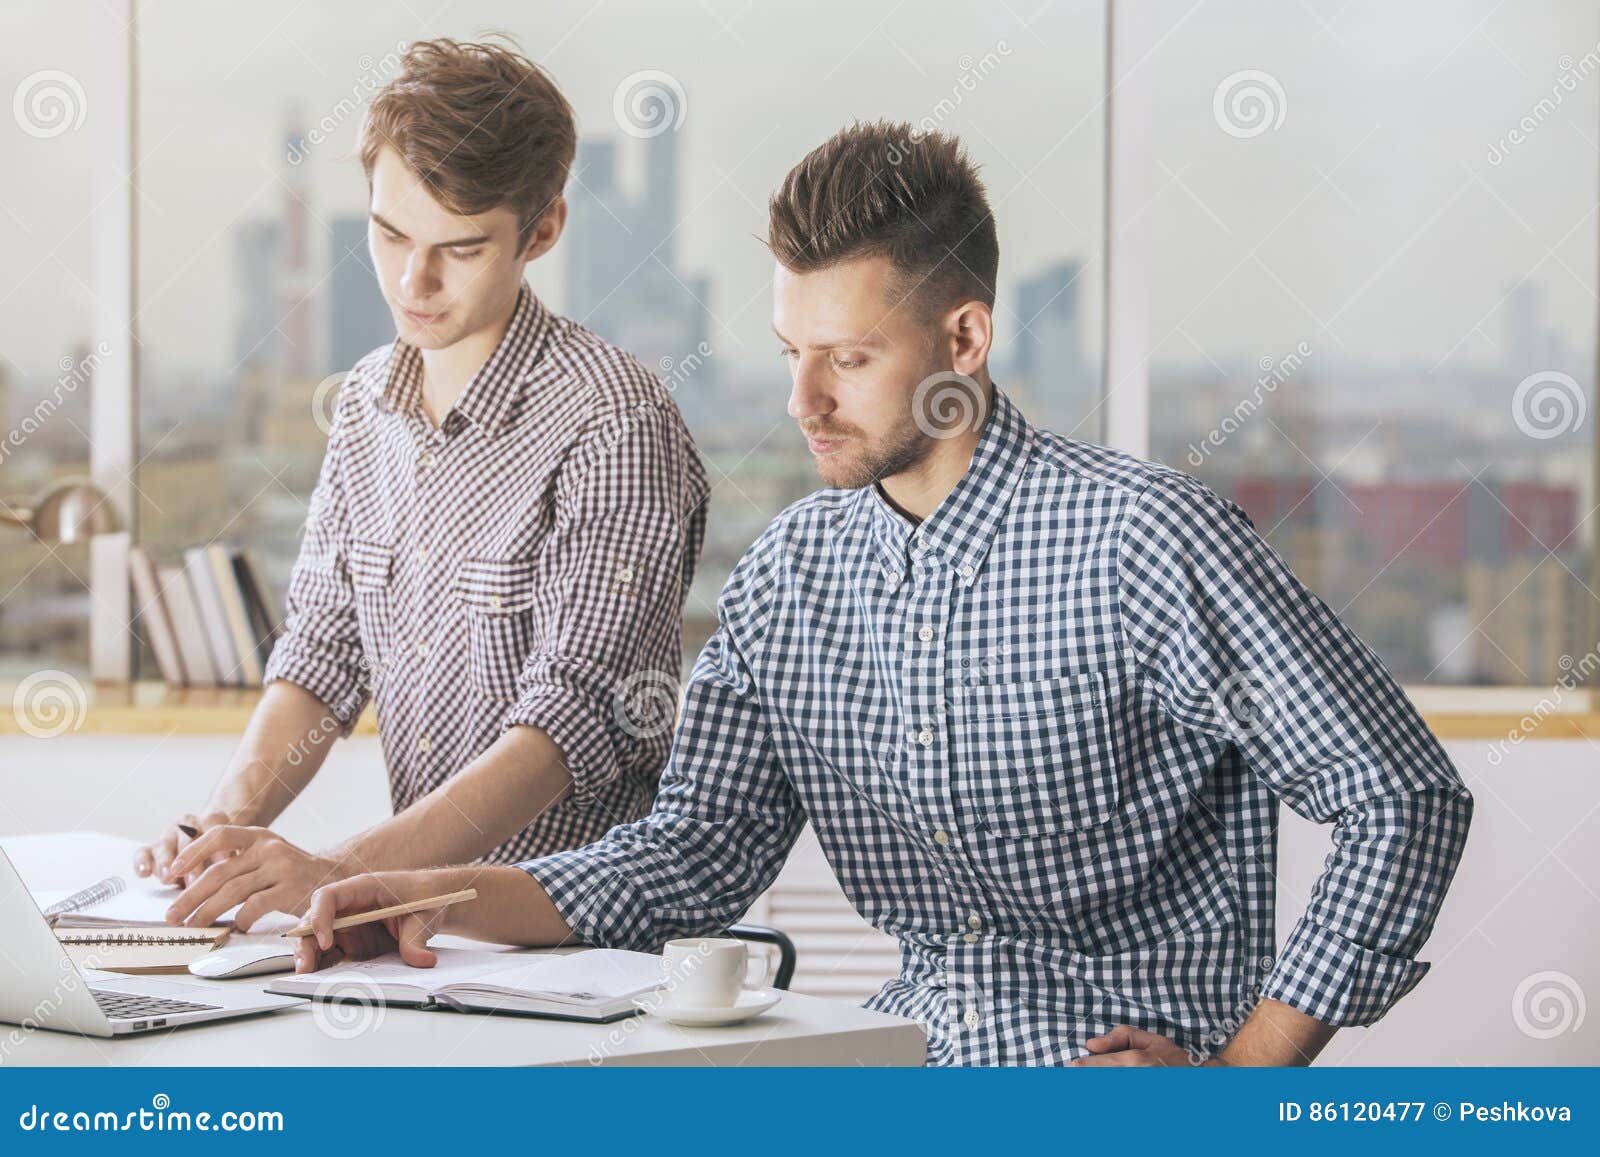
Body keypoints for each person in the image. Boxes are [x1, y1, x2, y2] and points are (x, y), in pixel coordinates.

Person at [286, 120, 1472, 1067]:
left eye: (848, 360)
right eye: (789, 351)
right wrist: (430, 896)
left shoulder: (1143, 541)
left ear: (964, 339)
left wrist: (1242, 1075)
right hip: (897, 1060)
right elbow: (691, 854)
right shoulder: (791, 575)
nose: (802, 401)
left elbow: (1402, 797)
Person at [136, 38, 708, 931]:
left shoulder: (615, 419)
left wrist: (344, 872)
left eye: (461, 248)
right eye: (391, 234)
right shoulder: (365, 403)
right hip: (419, 936)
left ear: (543, 230)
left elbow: (571, 722)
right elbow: (320, 657)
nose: (414, 281)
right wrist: (221, 831)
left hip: (577, 946)